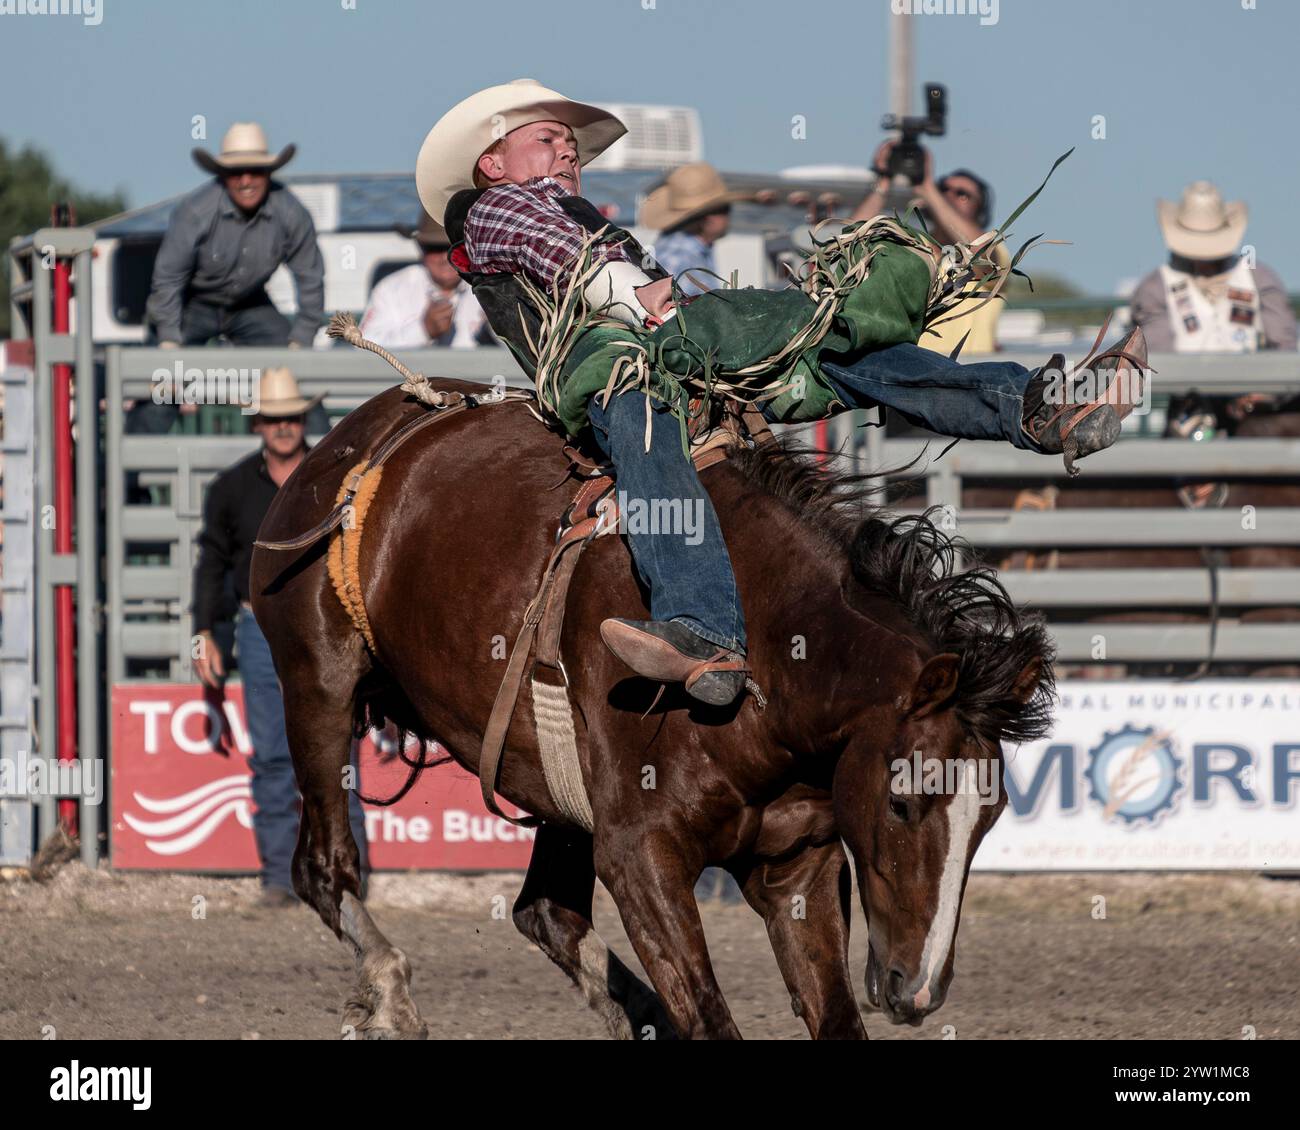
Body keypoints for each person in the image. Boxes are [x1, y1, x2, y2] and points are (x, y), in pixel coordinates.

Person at [416, 80, 1144, 707]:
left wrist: (658, 306)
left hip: (666, 347)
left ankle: (1038, 409)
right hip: (603, 365)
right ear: (492, 161)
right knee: (643, 412)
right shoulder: (498, 208)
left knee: (844, 358)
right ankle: (702, 627)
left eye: (569, 142)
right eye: (548, 138)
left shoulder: (580, 213)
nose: (567, 150)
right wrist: (645, 299)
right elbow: (576, 267)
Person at [192, 368, 367, 907]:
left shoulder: (334, 477)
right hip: (260, 627)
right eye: (275, 419)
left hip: (327, 630)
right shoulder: (233, 489)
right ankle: (277, 877)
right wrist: (205, 630)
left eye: (291, 417)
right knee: (272, 754)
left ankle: (349, 878)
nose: (285, 427)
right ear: (260, 425)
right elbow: (214, 565)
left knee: (340, 756)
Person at [145, 122, 325, 351]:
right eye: (236, 172)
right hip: (192, 302)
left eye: (255, 171)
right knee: (160, 374)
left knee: (286, 363)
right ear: (222, 175)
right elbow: (168, 279)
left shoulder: (292, 214)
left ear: (269, 173)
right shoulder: (195, 212)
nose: (246, 181)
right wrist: (168, 338)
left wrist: (302, 338)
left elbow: (310, 277)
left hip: (250, 303)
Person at [852, 140, 1007, 355]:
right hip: (916, 371)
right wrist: (884, 181)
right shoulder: (913, 245)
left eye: (962, 194)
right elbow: (849, 242)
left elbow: (981, 259)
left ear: (979, 210)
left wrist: (928, 188)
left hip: (970, 371)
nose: (949, 195)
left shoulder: (993, 247)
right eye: (944, 189)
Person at [1130, 180, 1297, 353]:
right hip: (1183, 380)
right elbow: (1158, 358)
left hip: (1249, 380)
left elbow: (1284, 348)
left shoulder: (1259, 279)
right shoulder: (1155, 289)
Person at [359, 212, 493, 349]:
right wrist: (423, 330)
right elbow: (361, 350)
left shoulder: (494, 289)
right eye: (433, 248)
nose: (444, 258)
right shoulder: (391, 289)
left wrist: (495, 327)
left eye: (452, 247)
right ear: (421, 250)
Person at [639, 163, 752, 297]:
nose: (729, 216)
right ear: (709, 217)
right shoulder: (679, 257)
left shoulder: (691, 252)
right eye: (725, 209)